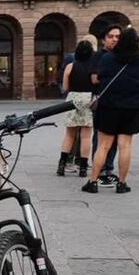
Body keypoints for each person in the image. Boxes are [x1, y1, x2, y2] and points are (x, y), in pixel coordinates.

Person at [83, 28, 139, 194]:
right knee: (125, 146)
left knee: (103, 146)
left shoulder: (108, 58)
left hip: (109, 106)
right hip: (133, 107)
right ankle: (122, 183)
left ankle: (93, 182)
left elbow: (99, 77)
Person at [57, 36, 97, 177]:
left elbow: (65, 87)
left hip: (72, 100)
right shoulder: (93, 68)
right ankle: (83, 168)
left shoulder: (70, 66)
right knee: (86, 137)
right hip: (87, 100)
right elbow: (95, 84)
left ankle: (62, 165)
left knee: (69, 135)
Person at [91, 25, 122, 187]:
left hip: (118, 102)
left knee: (115, 138)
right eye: (111, 36)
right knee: (100, 137)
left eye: (117, 37)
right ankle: (100, 169)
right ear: (103, 40)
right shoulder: (99, 56)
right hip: (103, 102)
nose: (114, 39)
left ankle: (108, 168)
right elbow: (94, 79)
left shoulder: (120, 56)